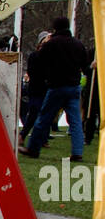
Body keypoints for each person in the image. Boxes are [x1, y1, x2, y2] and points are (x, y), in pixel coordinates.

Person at [20, 15, 91, 162]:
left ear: (55, 28)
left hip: (57, 86)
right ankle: (77, 152)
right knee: (75, 121)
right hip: (74, 87)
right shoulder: (78, 44)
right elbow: (85, 65)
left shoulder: (52, 44)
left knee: (44, 117)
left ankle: (33, 148)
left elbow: (39, 60)